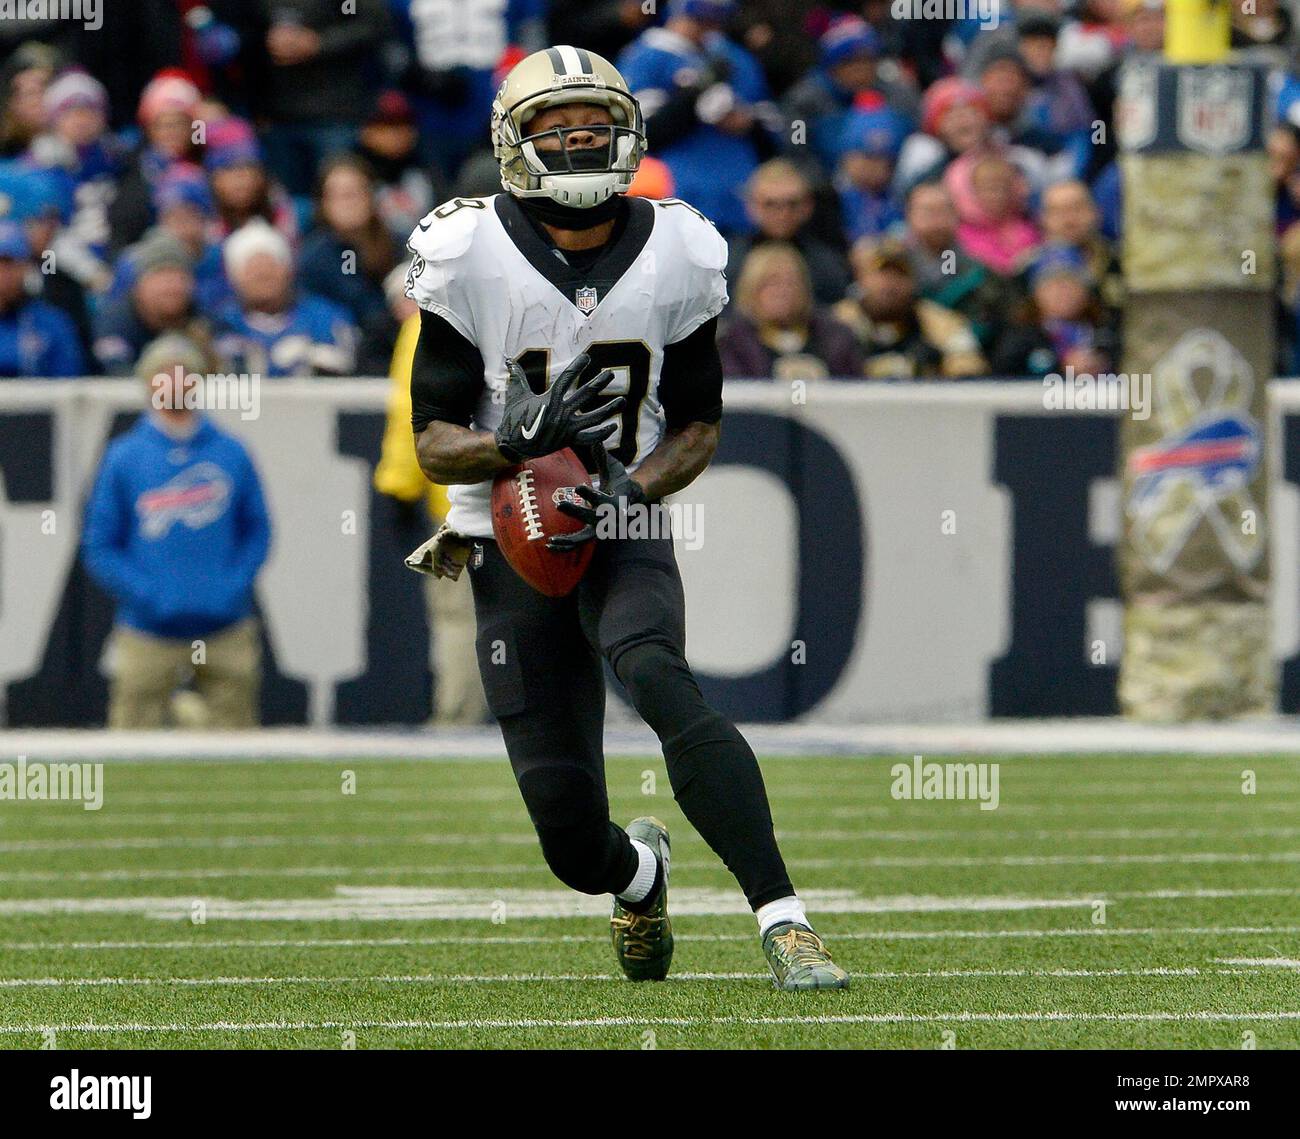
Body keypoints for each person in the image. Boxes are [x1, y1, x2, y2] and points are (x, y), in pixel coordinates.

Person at [403, 47, 849, 990]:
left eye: (592, 127)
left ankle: (786, 919)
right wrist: (513, 444)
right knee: (568, 833)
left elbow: (696, 423)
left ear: (627, 133)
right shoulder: (467, 249)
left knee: (659, 678)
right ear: (513, 143)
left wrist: (636, 492)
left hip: (621, 517)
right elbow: (434, 439)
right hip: (505, 533)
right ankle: (638, 874)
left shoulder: (680, 246)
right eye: (554, 129)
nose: (577, 142)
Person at [81, 333, 271, 729]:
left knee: (236, 741)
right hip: (146, 630)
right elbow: (100, 545)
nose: (174, 381)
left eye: (183, 373)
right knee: (133, 741)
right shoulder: (125, 457)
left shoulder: (230, 451)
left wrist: (229, 586)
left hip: (226, 627)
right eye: (163, 373)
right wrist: (148, 594)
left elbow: (258, 531)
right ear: (147, 383)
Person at [374, 302, 487, 725]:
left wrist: (400, 485)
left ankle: (458, 719)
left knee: (457, 617)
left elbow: (413, 411)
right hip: (541, 499)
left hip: (459, 510)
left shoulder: (431, 317)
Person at [618, 0, 778, 234]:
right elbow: (638, 134)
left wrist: (746, 122)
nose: (707, 26)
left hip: (741, 193)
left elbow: (774, 127)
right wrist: (693, 103)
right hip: (677, 188)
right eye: (701, 16)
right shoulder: (647, 56)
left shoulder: (735, 58)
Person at [213, 218, 356, 376]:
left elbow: (347, 365)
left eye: (270, 265)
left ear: (288, 270)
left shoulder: (325, 319)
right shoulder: (220, 325)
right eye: (252, 268)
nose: (263, 275)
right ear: (235, 278)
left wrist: (314, 357)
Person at [834, 237, 989, 379]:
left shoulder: (940, 321)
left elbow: (969, 365)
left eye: (900, 274)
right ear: (861, 278)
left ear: (913, 281)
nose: (890, 284)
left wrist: (935, 366)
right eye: (881, 274)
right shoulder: (838, 319)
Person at [719, 242, 862, 379]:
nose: (782, 291)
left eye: (791, 282)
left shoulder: (837, 339)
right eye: (772, 282)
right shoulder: (731, 345)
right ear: (750, 289)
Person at [727, 158, 851, 305]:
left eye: (792, 204)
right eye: (770, 204)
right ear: (751, 206)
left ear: (808, 206)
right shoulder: (727, 263)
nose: (783, 213)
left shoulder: (828, 265)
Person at [0, 218, 84, 377]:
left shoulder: (51, 323)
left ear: (26, 266)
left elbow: (69, 386)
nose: (2, 274)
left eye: (9, 263)